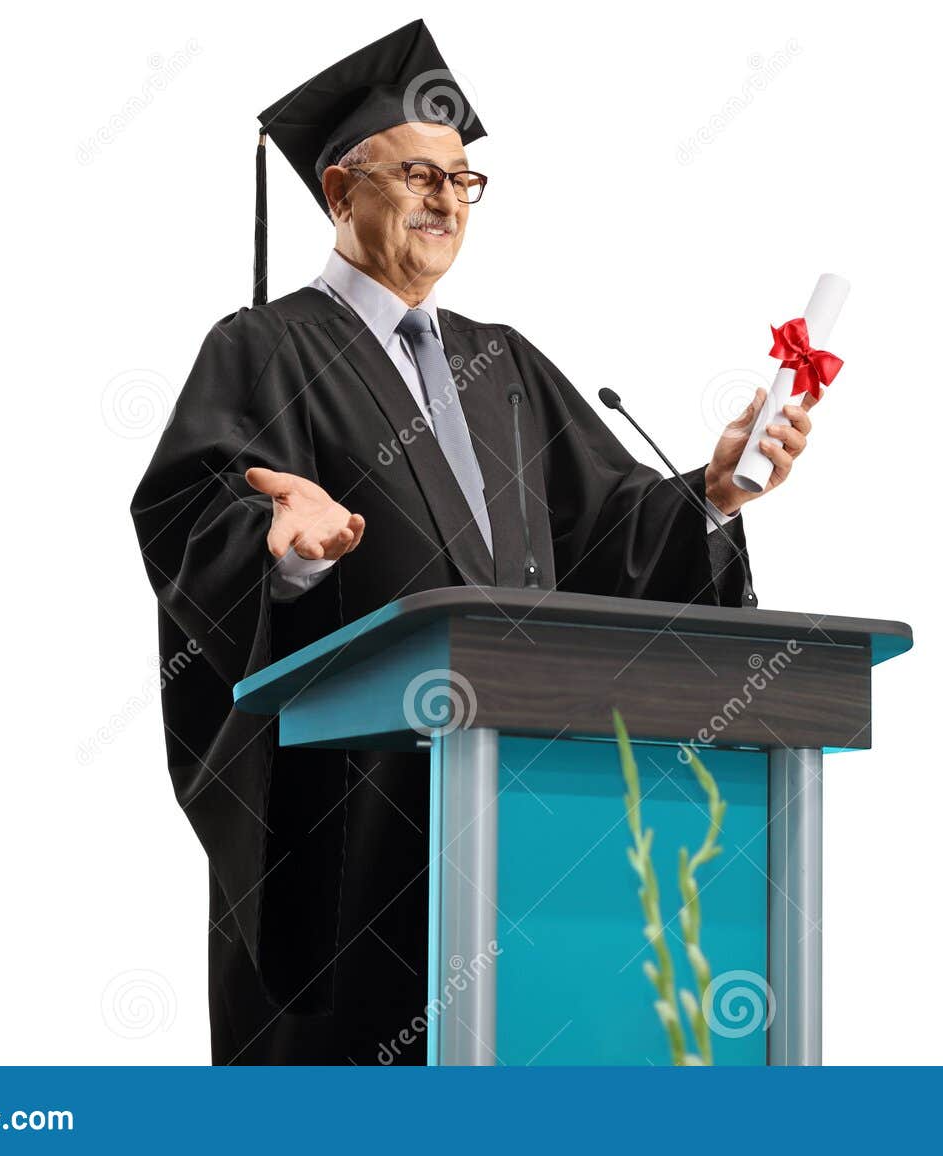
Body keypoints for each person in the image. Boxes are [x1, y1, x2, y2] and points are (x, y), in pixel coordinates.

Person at [129, 19, 816, 1064]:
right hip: (352, 830)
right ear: (337, 190)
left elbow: (613, 539)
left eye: (464, 182)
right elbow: (191, 520)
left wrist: (712, 496)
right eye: (418, 175)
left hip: (513, 816)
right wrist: (289, 551)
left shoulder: (500, 365)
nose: (448, 201)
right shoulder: (263, 348)